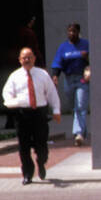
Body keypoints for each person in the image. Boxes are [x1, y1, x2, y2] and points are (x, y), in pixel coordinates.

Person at [2, 47, 61, 183]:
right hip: (22, 114)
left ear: (34, 58)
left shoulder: (43, 75)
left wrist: (56, 110)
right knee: (24, 146)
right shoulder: (14, 77)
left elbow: (52, 93)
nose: (27, 60)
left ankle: (41, 162)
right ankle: (27, 173)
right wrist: (13, 102)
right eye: (24, 58)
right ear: (20, 60)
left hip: (39, 114)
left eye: (29, 57)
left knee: (41, 144)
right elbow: (7, 93)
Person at [51, 22, 90, 145]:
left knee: (80, 106)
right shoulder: (63, 47)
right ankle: (82, 131)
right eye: (70, 31)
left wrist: (86, 58)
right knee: (74, 107)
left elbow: (94, 60)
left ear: (79, 32)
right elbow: (58, 62)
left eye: (74, 31)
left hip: (82, 79)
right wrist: (56, 75)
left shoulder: (85, 44)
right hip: (68, 79)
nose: (72, 33)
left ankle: (78, 133)